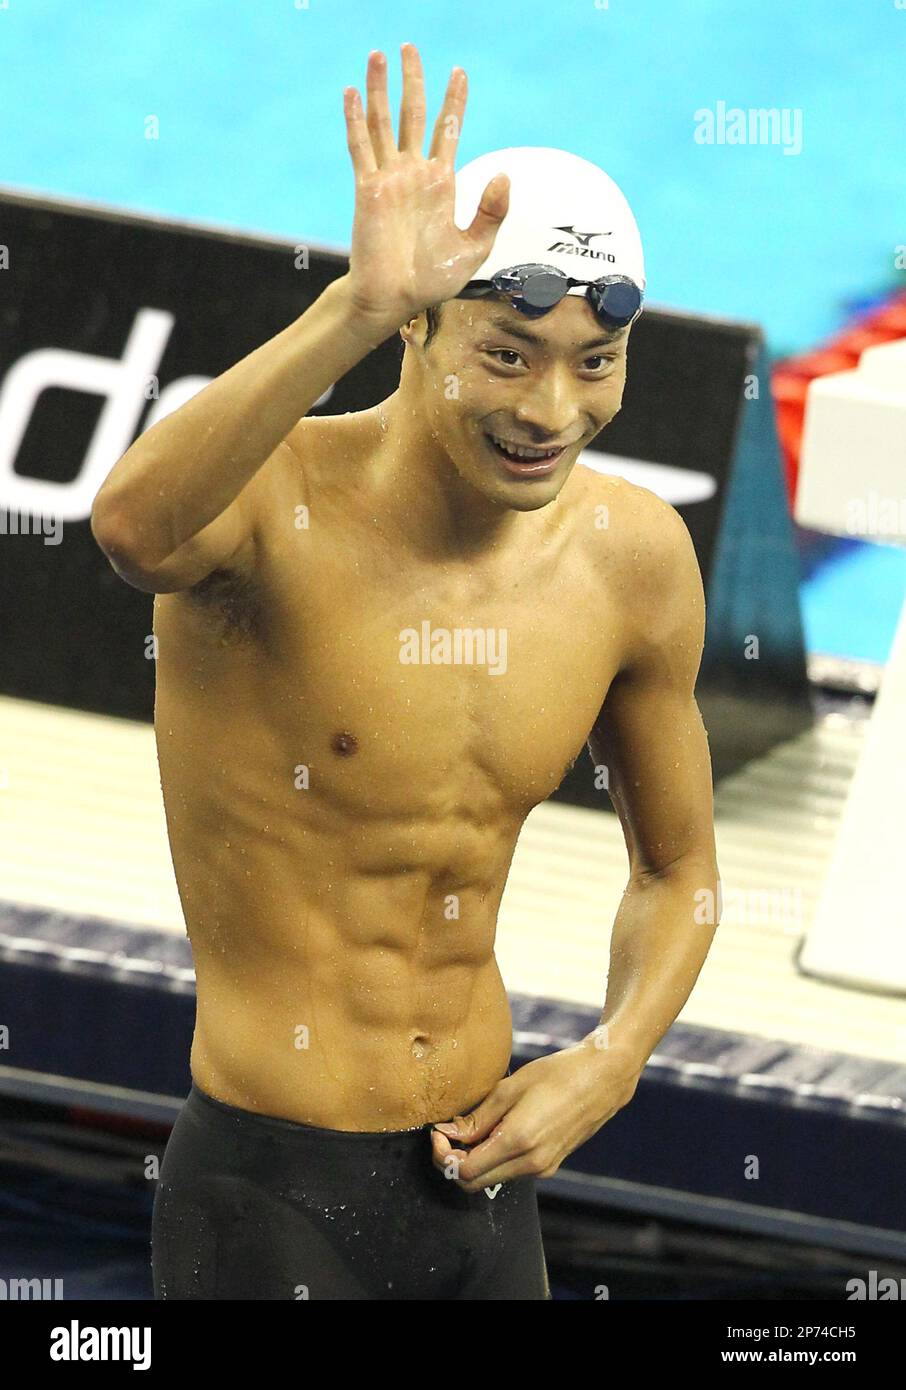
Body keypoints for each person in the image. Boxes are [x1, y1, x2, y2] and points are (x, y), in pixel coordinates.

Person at [91, 42, 720, 1300]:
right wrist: (350, 304)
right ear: (418, 332)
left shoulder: (633, 561)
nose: (551, 408)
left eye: (594, 364)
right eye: (506, 354)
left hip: (483, 1187)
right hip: (268, 1192)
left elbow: (680, 868)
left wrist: (613, 1056)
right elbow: (132, 533)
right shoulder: (276, 506)